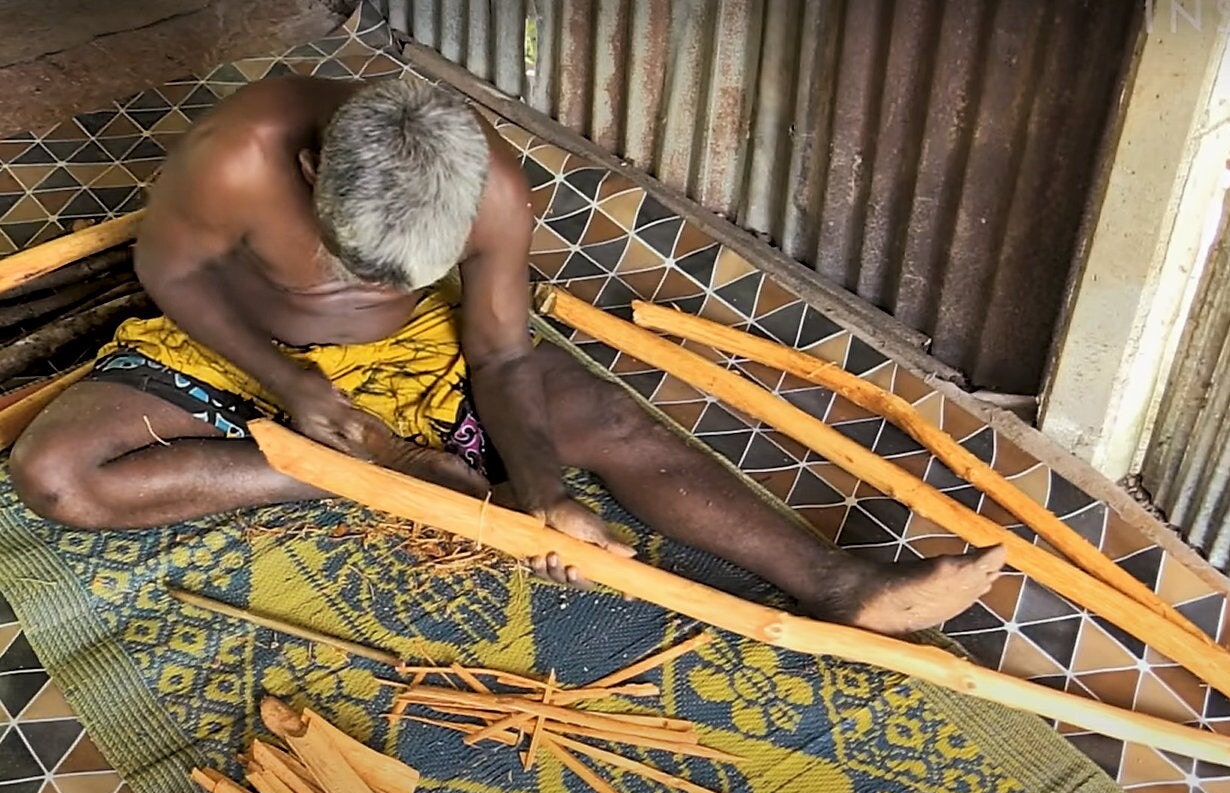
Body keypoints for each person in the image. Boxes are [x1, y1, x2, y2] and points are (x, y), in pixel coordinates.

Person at [9, 76, 1004, 634]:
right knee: (54, 477)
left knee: (609, 425)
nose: (380, 286)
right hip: (238, 353)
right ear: (311, 167)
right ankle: (349, 476)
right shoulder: (238, 154)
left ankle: (840, 586)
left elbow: (498, 348)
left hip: (424, 364)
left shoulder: (494, 189)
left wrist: (542, 487)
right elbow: (169, 273)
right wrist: (295, 388)